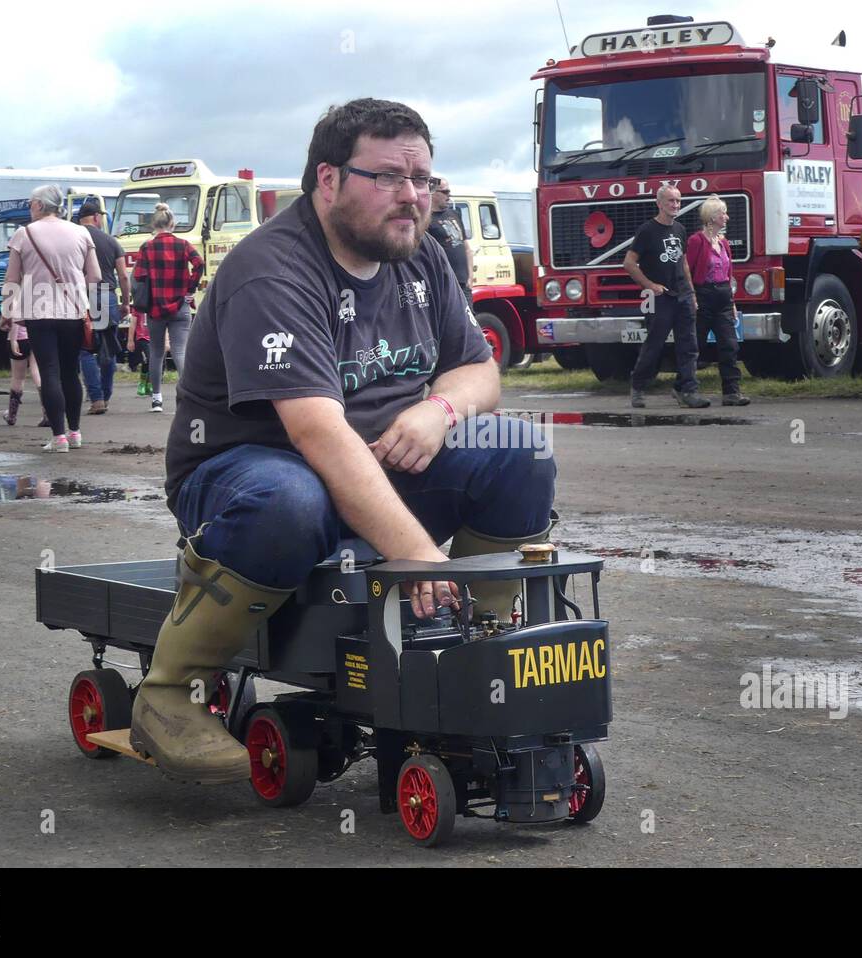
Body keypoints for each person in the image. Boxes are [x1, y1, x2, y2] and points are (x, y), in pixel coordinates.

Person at [133, 98, 553, 785]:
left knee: (520, 449)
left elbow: (481, 369)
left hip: (379, 466)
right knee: (290, 499)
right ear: (327, 180)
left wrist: (440, 410)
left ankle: (473, 652)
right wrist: (419, 556)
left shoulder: (418, 260)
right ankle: (170, 690)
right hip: (248, 474)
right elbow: (317, 434)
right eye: (388, 177)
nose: (413, 196)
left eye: (421, 178)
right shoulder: (274, 267)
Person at [0, 184, 101, 452]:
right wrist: (81, 294)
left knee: (50, 371)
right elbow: (96, 276)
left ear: (40, 205)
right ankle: (76, 432)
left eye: (32, 202)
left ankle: (59, 437)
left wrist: (7, 312)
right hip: (74, 311)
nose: (30, 207)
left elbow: (12, 279)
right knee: (70, 371)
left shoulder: (24, 234)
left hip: (38, 312)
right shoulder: (81, 232)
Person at [623, 185, 710, 409]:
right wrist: (650, 285)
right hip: (659, 298)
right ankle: (638, 386)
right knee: (654, 343)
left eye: (678, 201)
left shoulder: (680, 229)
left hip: (682, 295)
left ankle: (688, 390)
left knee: (689, 344)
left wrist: (691, 293)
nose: (675, 205)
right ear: (659, 203)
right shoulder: (647, 230)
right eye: (671, 201)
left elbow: (683, 263)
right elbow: (629, 263)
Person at [131, 202, 203, 412]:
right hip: (180, 305)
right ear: (172, 223)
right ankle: (189, 397)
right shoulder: (183, 244)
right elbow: (199, 263)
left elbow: (139, 275)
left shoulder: (147, 247)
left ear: (155, 224)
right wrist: (190, 288)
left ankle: (156, 399)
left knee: (156, 352)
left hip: (155, 308)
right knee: (180, 352)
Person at [687, 196, 750, 406]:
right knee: (697, 344)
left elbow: (728, 271)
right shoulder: (696, 241)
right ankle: (684, 387)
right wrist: (693, 295)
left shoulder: (723, 242)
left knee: (729, 344)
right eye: (723, 213)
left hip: (723, 295)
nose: (727, 217)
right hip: (703, 295)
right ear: (712, 217)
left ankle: (731, 392)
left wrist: (731, 301)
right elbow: (688, 270)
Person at [75, 199, 130, 414]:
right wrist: (125, 302)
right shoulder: (111, 241)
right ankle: (106, 397)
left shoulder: (74, 239)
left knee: (86, 350)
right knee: (108, 348)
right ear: (97, 217)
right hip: (107, 297)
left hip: (83, 297)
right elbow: (124, 276)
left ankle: (96, 398)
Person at [426, 176, 472, 298]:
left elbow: (467, 248)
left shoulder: (455, 214)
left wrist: (470, 278)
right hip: (444, 285)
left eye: (449, 192)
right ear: (433, 192)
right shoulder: (426, 220)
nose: (449, 196)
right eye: (445, 192)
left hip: (463, 284)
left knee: (469, 317)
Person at [1, 320, 43, 426]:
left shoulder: (13, 302)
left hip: (20, 339)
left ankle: (12, 415)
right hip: (36, 336)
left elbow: (15, 317)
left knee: (18, 377)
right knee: (37, 372)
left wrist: (13, 340)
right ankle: (48, 412)